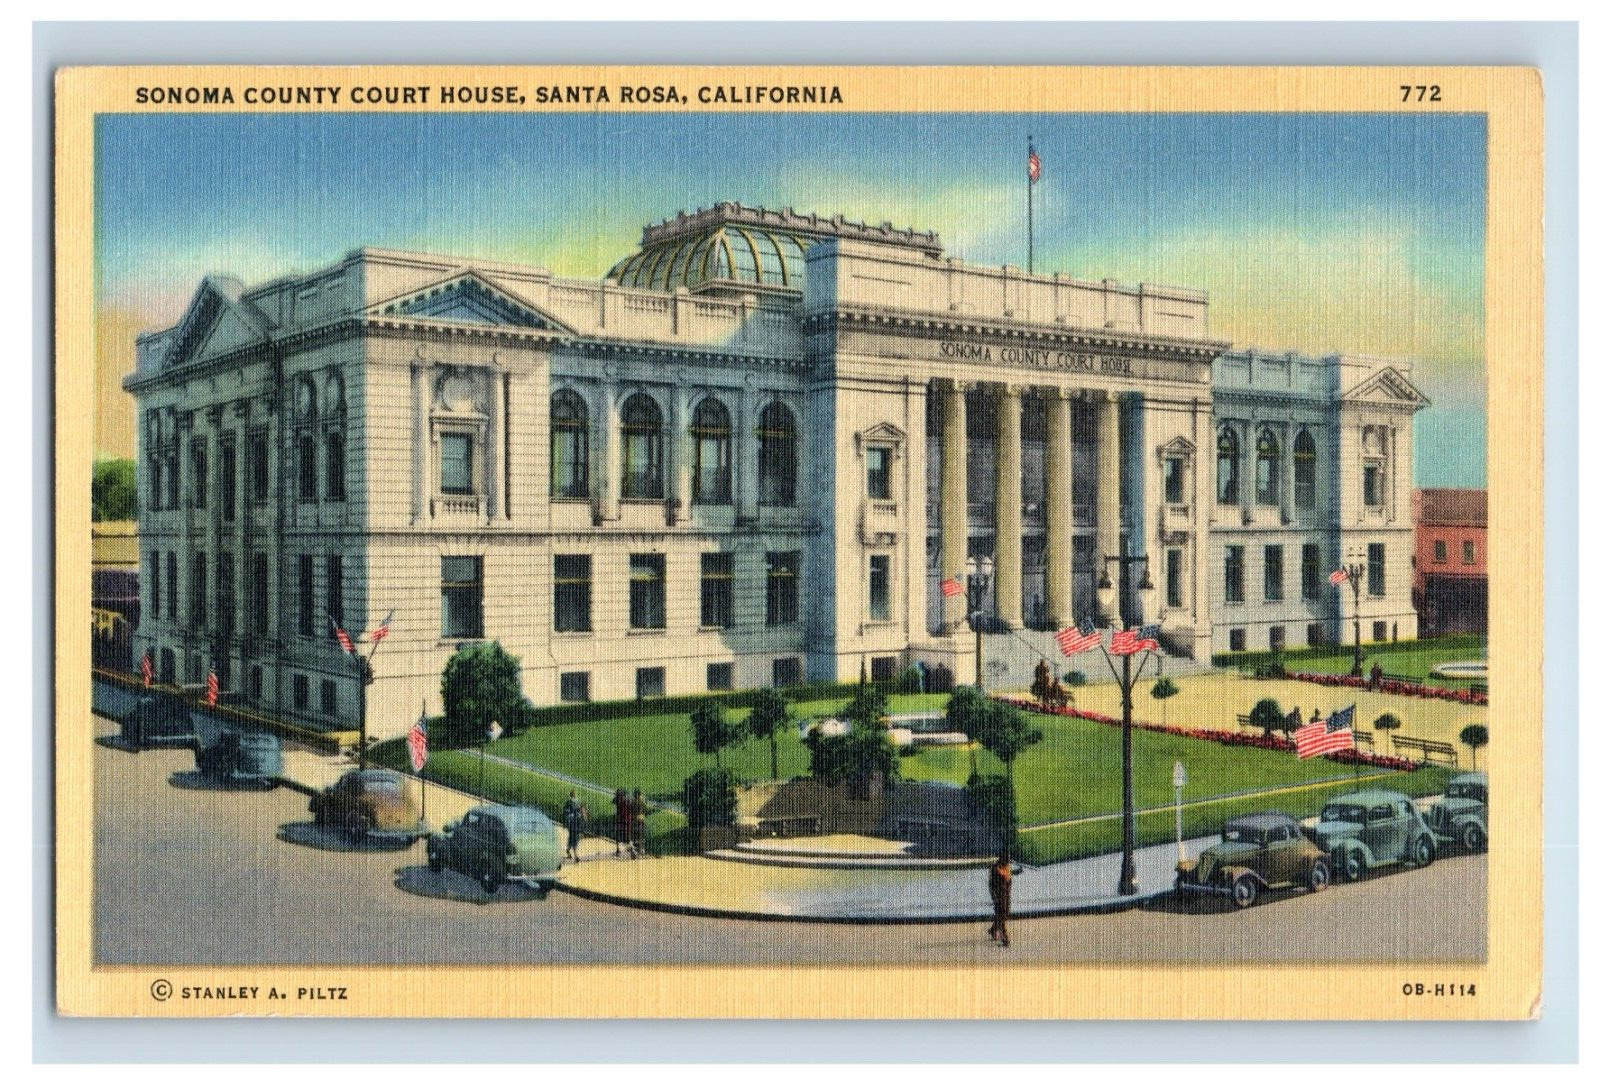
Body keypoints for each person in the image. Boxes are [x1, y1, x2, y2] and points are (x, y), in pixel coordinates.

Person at [987, 851, 1014, 947]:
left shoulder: (1007, 867)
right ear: (1001, 859)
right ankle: (1005, 940)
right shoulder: (995, 868)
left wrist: (1008, 892)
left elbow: (1009, 881)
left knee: (1004, 914)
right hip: (999, 895)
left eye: (1009, 859)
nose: (1008, 861)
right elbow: (991, 884)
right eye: (1006, 859)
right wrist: (994, 896)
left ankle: (993, 930)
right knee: (1002, 917)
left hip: (1006, 895)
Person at [562, 790, 586, 862]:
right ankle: (576, 856)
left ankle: (568, 850)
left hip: (573, 823)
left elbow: (565, 812)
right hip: (573, 823)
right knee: (574, 838)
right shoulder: (575, 802)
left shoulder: (570, 802)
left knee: (573, 838)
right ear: (574, 795)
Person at [612, 787, 632, 857]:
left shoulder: (618, 800)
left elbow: (613, 800)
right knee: (628, 836)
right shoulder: (628, 801)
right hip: (628, 820)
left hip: (620, 819)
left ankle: (618, 850)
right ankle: (631, 849)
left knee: (618, 835)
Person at [630, 787, 648, 859]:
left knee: (635, 836)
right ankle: (641, 850)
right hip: (641, 820)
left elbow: (631, 810)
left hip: (634, 820)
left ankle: (635, 850)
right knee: (641, 835)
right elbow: (645, 810)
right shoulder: (643, 801)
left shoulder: (633, 802)